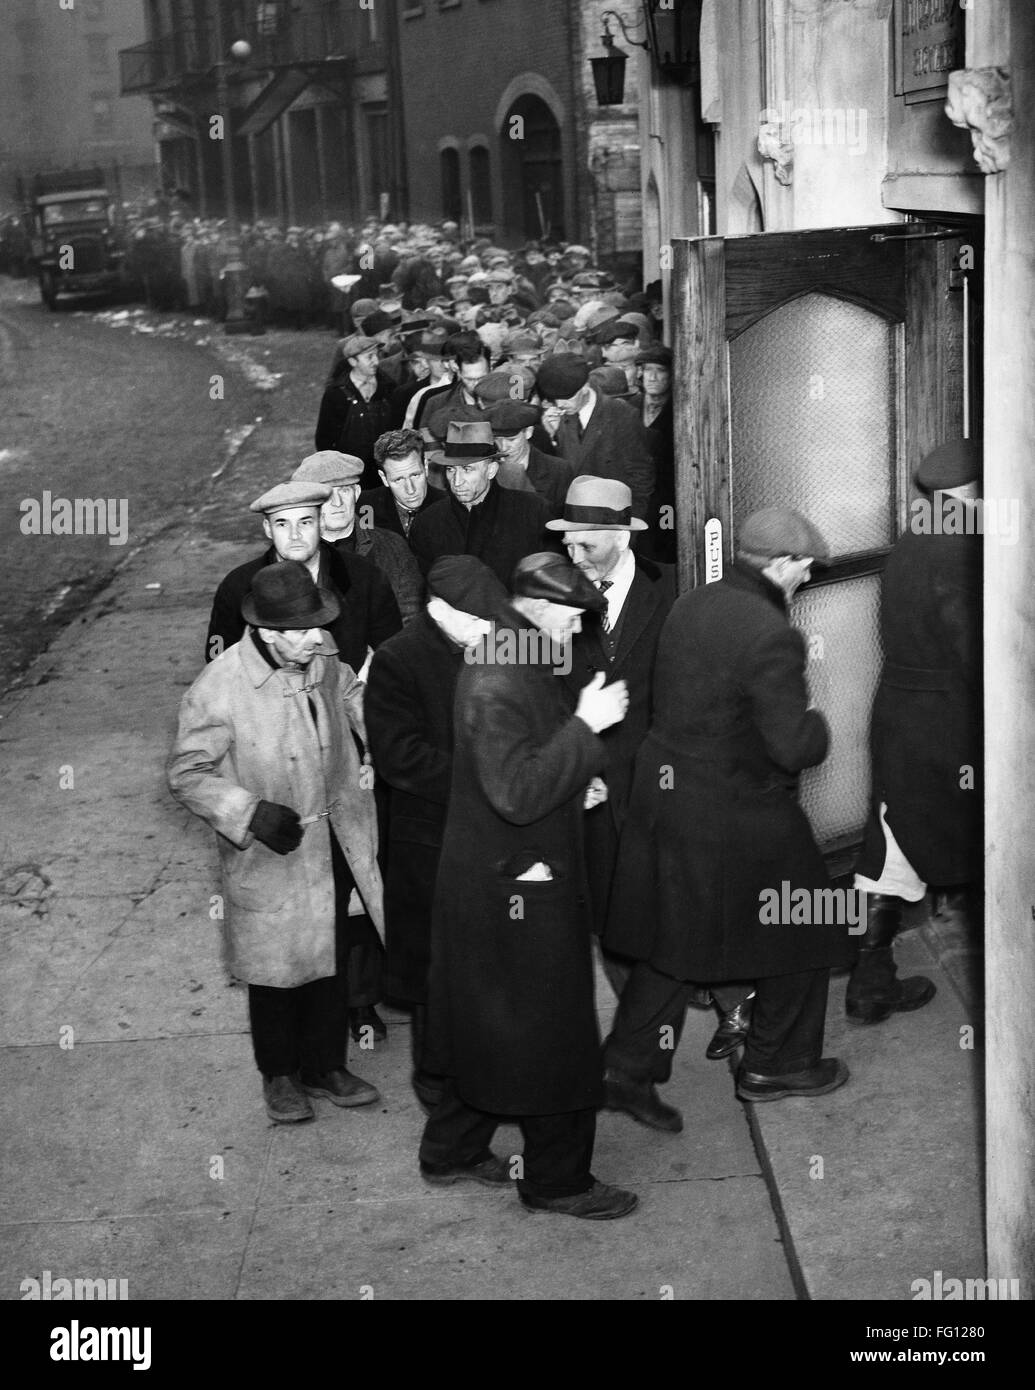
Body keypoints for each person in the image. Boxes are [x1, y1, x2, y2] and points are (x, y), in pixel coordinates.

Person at [603, 507, 852, 1129]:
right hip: (736, 809)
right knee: (806, 919)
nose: (805, 577)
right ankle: (777, 1064)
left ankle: (624, 1069)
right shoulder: (771, 632)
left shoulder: (693, 602)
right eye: (803, 567)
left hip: (669, 799)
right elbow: (792, 745)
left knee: (673, 942)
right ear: (779, 564)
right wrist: (819, 721)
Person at [419, 553, 638, 1220]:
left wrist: (577, 779)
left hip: (494, 881)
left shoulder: (516, 653)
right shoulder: (498, 676)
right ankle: (557, 1180)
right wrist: (587, 726)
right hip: (518, 886)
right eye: (572, 616)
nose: (577, 629)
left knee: (485, 1023)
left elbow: (520, 764)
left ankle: (452, 1149)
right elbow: (515, 793)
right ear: (539, 606)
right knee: (554, 1039)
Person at [168, 562, 383, 1124]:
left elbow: (355, 698)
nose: (316, 638)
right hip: (269, 851)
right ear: (266, 631)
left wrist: (386, 742)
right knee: (274, 973)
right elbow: (187, 773)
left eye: (318, 626)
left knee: (331, 956)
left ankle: (324, 1065)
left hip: (333, 834)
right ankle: (280, 1076)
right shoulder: (219, 687)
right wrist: (247, 811)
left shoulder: (323, 651)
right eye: (302, 630)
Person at [365, 557, 509, 1108]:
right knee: (435, 980)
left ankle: (479, 1075)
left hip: (484, 842)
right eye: (476, 621)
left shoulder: (490, 644)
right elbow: (400, 759)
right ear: (439, 610)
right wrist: (486, 779)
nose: (487, 630)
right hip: (430, 847)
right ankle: (439, 1091)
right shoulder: (400, 661)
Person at [847, 439, 982, 1023]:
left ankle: (869, 983)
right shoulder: (964, 549)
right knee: (986, 845)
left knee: (889, 845)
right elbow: (972, 650)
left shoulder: (911, 540)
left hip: (898, 713)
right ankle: (1003, 999)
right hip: (952, 723)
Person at [549, 477, 676, 997]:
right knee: (612, 924)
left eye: (586, 543)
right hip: (593, 796)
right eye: (568, 543)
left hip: (661, 790)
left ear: (623, 536)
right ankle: (636, 1041)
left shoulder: (674, 588)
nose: (573, 554)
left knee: (675, 908)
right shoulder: (552, 601)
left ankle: (724, 1007)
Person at [204, 480, 401, 677]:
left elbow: (392, 652)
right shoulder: (238, 587)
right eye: (282, 524)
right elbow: (218, 663)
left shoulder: (365, 576)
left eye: (305, 522)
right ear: (267, 528)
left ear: (321, 522)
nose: (295, 535)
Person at [408, 421, 554, 587]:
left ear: (491, 470)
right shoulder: (428, 523)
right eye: (450, 469)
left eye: (467, 469)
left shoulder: (534, 512)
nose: (456, 481)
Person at [291, 451, 423, 624]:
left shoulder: (392, 547)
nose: (337, 503)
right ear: (309, 502)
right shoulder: (294, 554)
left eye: (344, 491)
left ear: (357, 492)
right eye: (326, 495)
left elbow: (410, 618)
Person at [536, 355, 655, 522]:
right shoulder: (558, 417)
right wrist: (553, 438)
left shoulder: (621, 415)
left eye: (567, 397)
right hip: (573, 521)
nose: (560, 404)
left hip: (612, 522)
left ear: (585, 386)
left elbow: (641, 478)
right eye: (554, 399)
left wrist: (629, 529)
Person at [314, 333, 395, 487]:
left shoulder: (389, 387)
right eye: (369, 357)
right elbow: (324, 441)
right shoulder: (336, 394)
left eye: (377, 355)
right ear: (352, 361)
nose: (376, 362)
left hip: (385, 473)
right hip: (351, 477)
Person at [486, 399, 574, 515]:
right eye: (497, 439)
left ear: (528, 432)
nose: (503, 447)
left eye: (511, 440)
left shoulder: (558, 471)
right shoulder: (484, 468)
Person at [359, 429, 444, 541]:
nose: (410, 490)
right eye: (398, 480)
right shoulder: (365, 506)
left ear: (426, 467)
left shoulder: (449, 507)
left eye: (415, 475)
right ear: (383, 478)